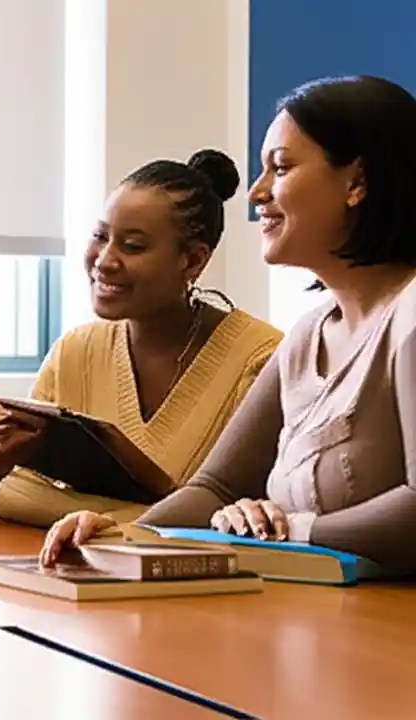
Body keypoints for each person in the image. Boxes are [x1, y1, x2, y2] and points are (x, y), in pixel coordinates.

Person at [40, 75, 416, 574]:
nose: (257, 192)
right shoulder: (308, 333)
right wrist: (124, 537)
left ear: (357, 183)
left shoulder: (409, 317)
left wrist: (287, 530)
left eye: (280, 167)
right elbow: (216, 487)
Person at [0, 150, 283, 527]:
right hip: (50, 560)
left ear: (193, 260)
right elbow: (10, 492)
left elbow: (242, 525)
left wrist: (95, 514)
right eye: (100, 236)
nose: (104, 261)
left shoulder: (263, 361)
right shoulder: (75, 351)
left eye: (133, 246)